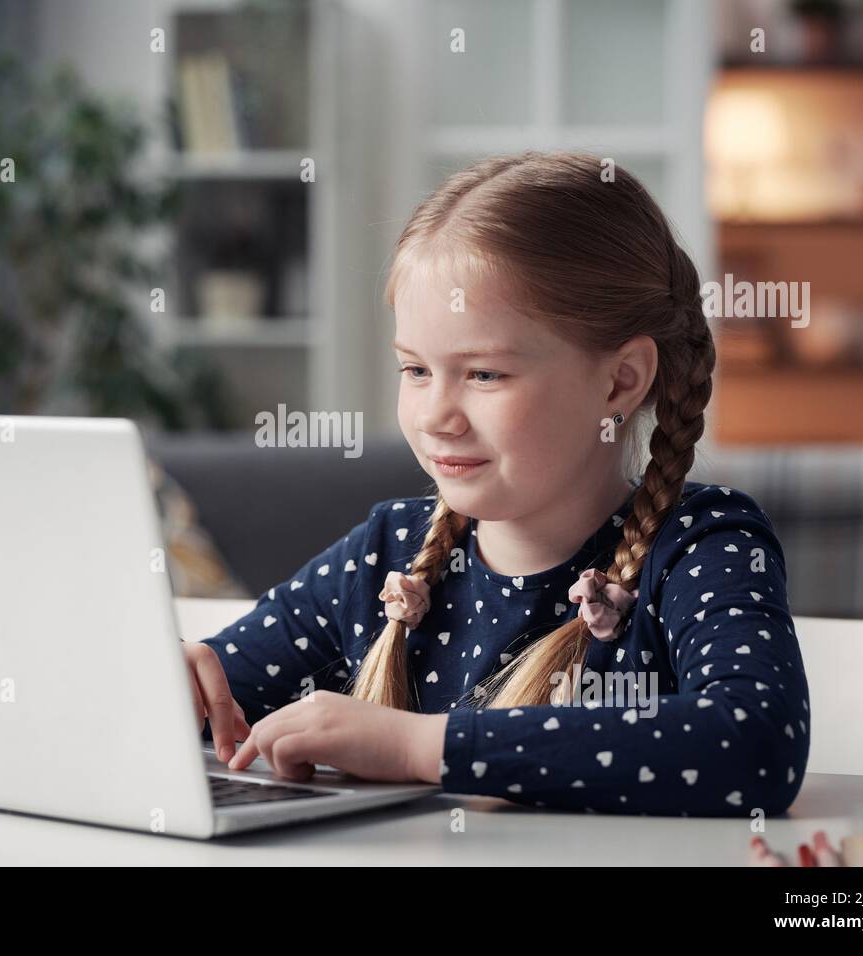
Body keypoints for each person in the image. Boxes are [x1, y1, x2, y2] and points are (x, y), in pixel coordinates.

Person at [183, 151, 810, 817]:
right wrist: (166, 689)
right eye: (415, 370)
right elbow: (216, 705)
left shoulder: (701, 547)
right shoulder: (385, 555)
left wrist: (421, 747)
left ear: (621, 380)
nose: (434, 417)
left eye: (484, 374)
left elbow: (755, 744)